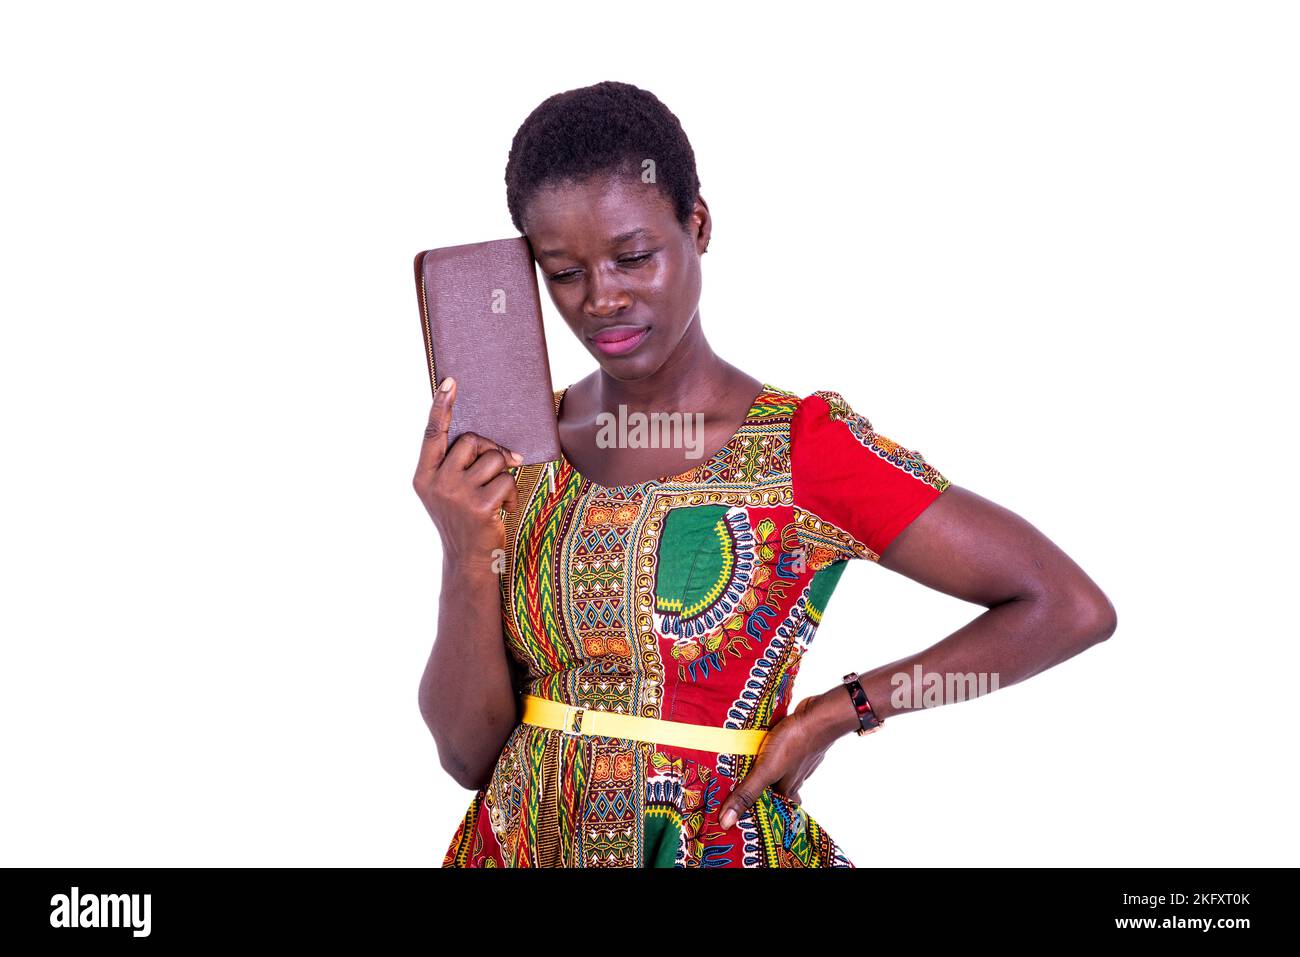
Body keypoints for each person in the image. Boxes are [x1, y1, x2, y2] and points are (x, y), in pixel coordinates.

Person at [413, 81, 1117, 868]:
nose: (603, 298)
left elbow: (1066, 606)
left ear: (699, 225)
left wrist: (843, 711)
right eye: (565, 272)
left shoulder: (801, 450)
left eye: (633, 255)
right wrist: (466, 548)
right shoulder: (513, 456)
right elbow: (468, 755)